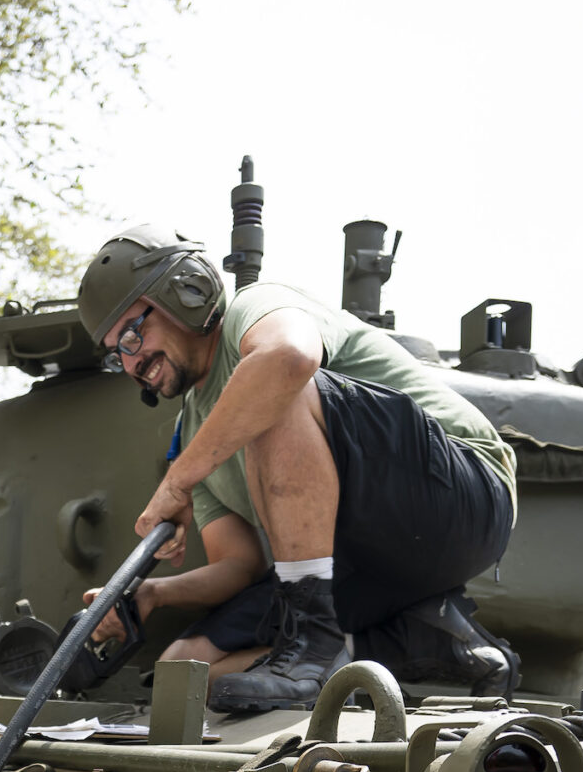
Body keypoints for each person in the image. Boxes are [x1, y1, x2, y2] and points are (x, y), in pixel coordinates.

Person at [77, 223, 520, 712]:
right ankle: (410, 643)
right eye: (119, 353)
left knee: (272, 391)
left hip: (461, 498)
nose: (132, 362)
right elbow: (238, 566)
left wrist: (179, 481)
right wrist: (153, 594)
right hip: (358, 562)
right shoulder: (195, 435)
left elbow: (289, 358)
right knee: (184, 671)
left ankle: (311, 647)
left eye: (134, 335)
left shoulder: (255, 308)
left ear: (185, 292)